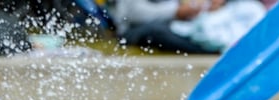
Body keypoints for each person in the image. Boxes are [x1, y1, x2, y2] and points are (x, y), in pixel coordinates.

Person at [111, 0, 267, 54]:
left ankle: (217, 45)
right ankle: (216, 47)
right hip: (139, 29)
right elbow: (132, 13)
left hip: (188, 26)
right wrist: (178, 11)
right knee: (154, 32)